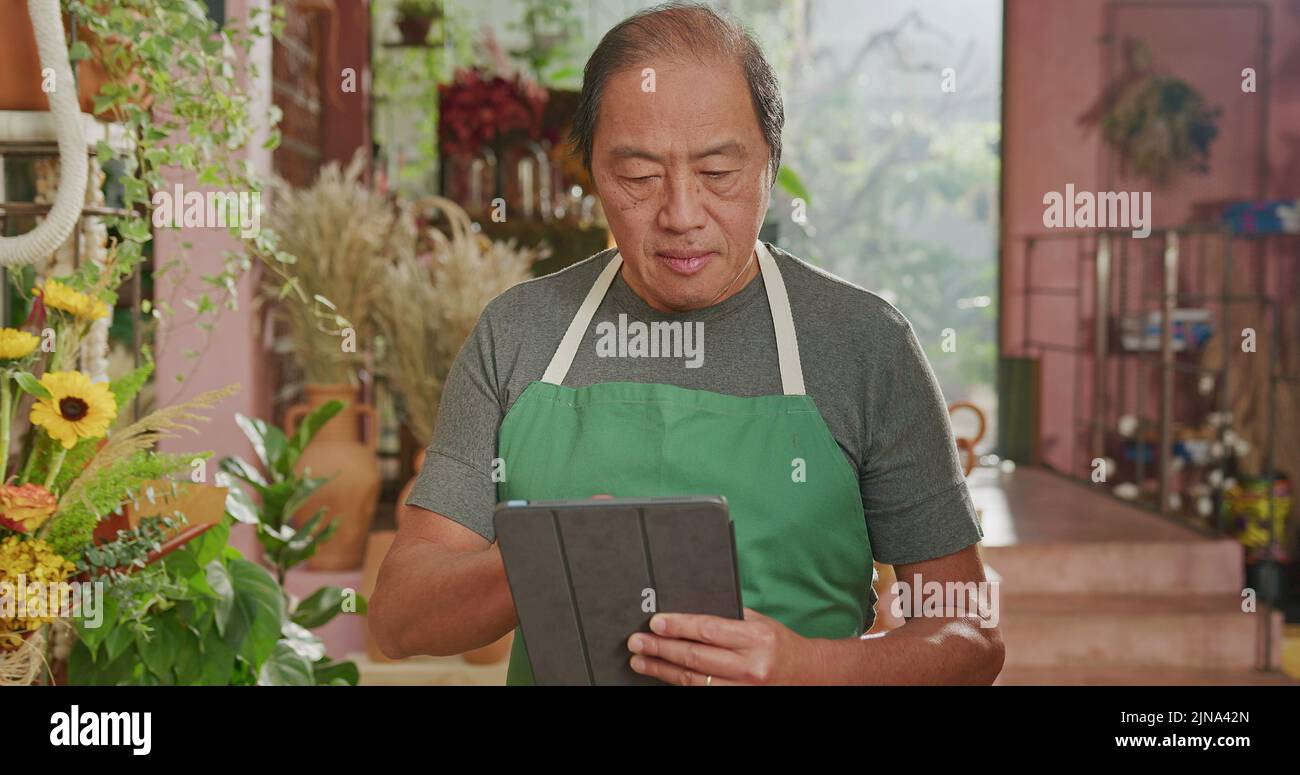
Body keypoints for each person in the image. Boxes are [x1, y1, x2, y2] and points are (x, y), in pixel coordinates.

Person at [370, 1, 1003, 685]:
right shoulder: (519, 333)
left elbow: (970, 636)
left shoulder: (864, 344)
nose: (680, 214)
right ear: (591, 171)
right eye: (639, 177)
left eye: (718, 173)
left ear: (771, 161)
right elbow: (398, 617)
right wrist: (545, 558)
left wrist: (807, 664)